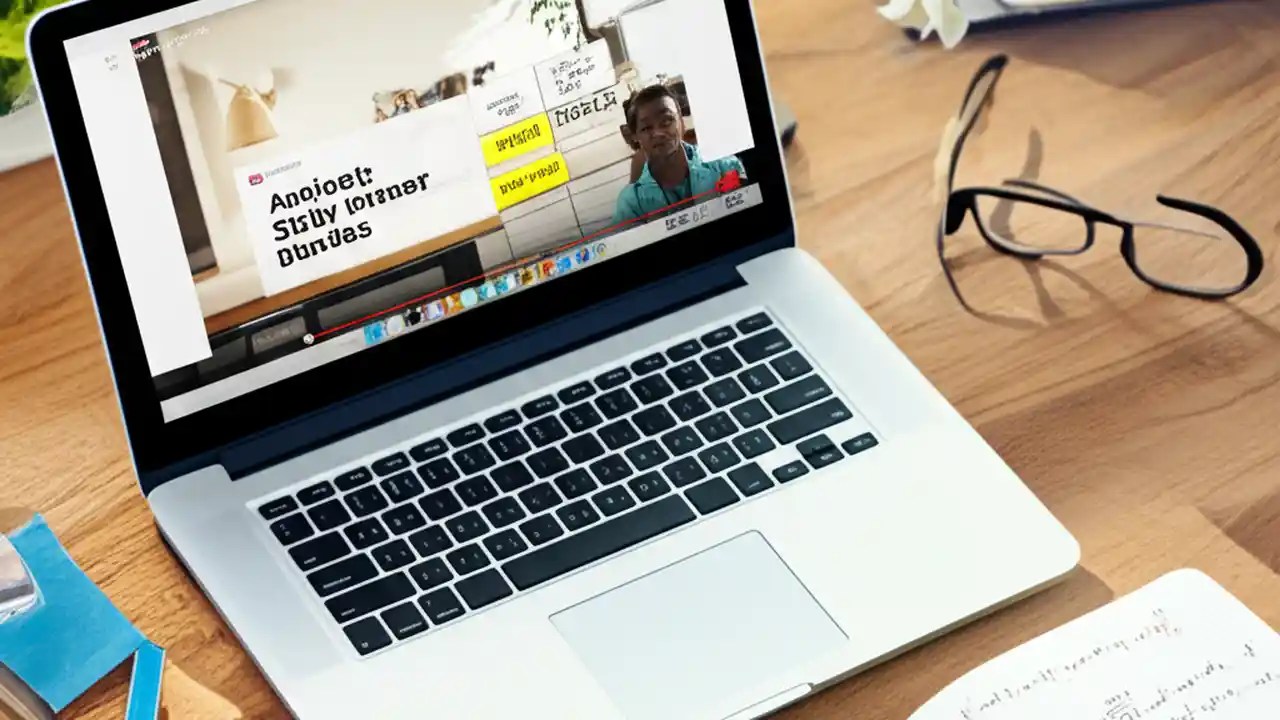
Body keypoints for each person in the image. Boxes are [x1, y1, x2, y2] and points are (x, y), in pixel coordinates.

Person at [613, 84, 746, 225]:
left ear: (681, 121)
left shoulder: (723, 168)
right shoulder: (631, 204)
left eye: (666, 121)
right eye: (646, 128)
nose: (658, 132)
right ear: (635, 136)